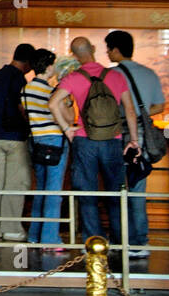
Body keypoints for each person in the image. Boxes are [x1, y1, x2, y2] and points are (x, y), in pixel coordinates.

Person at [48, 36, 141, 244]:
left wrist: (67, 129)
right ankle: (126, 242)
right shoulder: (115, 76)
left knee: (86, 192)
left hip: (84, 139)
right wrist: (133, 140)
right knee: (116, 192)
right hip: (112, 140)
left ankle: (93, 241)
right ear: (94, 47)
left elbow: (53, 103)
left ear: (73, 55)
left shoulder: (73, 78)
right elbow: (130, 111)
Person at [105, 29, 165, 258]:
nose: (108, 52)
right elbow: (159, 106)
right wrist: (142, 113)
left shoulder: (111, 75)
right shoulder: (150, 74)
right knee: (138, 188)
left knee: (116, 189)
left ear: (116, 50)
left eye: (109, 48)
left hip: (119, 136)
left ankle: (121, 240)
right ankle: (140, 241)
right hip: (144, 139)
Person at [0, 43, 35, 241]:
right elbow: (21, 108)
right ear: (28, 62)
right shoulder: (19, 79)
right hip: (15, 138)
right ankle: (11, 228)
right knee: (16, 184)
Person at [23, 48, 68, 251]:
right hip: (54, 140)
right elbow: (65, 114)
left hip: (36, 141)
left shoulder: (26, 89)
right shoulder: (51, 92)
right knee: (53, 190)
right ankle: (50, 239)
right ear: (49, 66)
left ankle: (34, 234)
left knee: (41, 188)